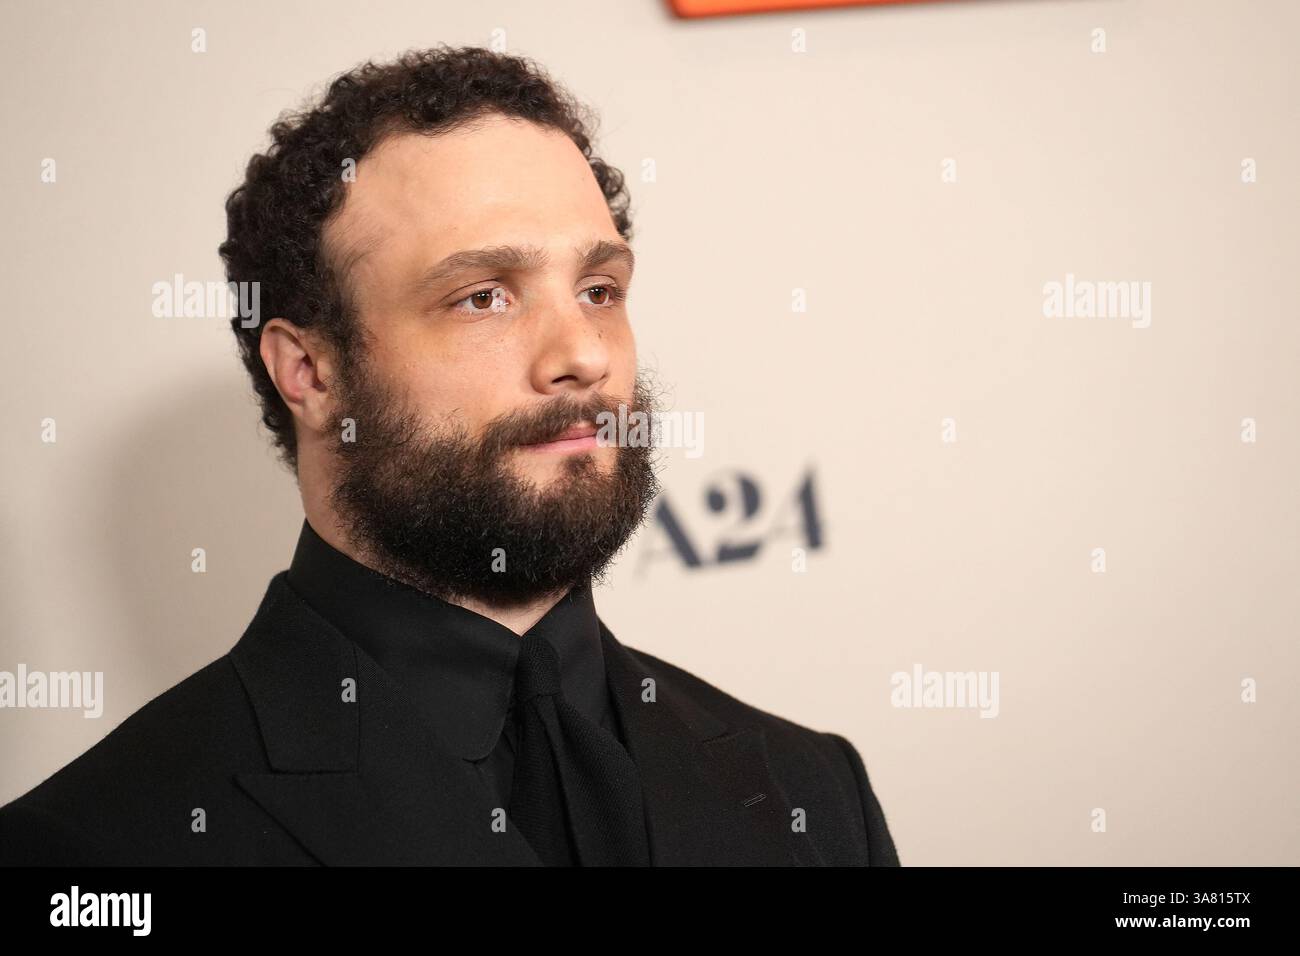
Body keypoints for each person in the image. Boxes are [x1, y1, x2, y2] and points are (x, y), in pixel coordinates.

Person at [0, 45, 899, 866]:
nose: (581, 354)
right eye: (482, 298)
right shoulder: (89, 848)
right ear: (309, 372)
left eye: (598, 288)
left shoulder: (814, 796)